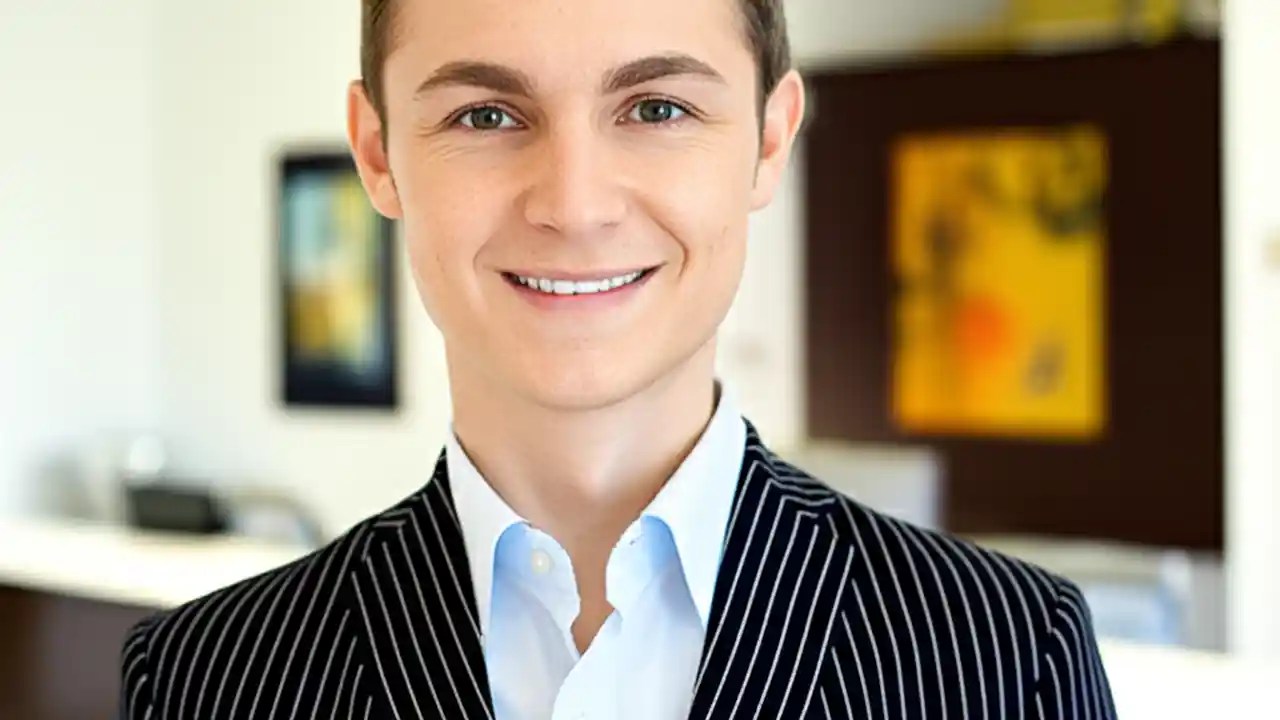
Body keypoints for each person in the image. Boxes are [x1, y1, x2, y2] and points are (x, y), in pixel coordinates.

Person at [119, 0, 1117, 717]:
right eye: (486, 116)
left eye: (654, 109)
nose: (574, 203)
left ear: (770, 140)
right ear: (377, 154)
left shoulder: (1001, 658)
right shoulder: (207, 678)